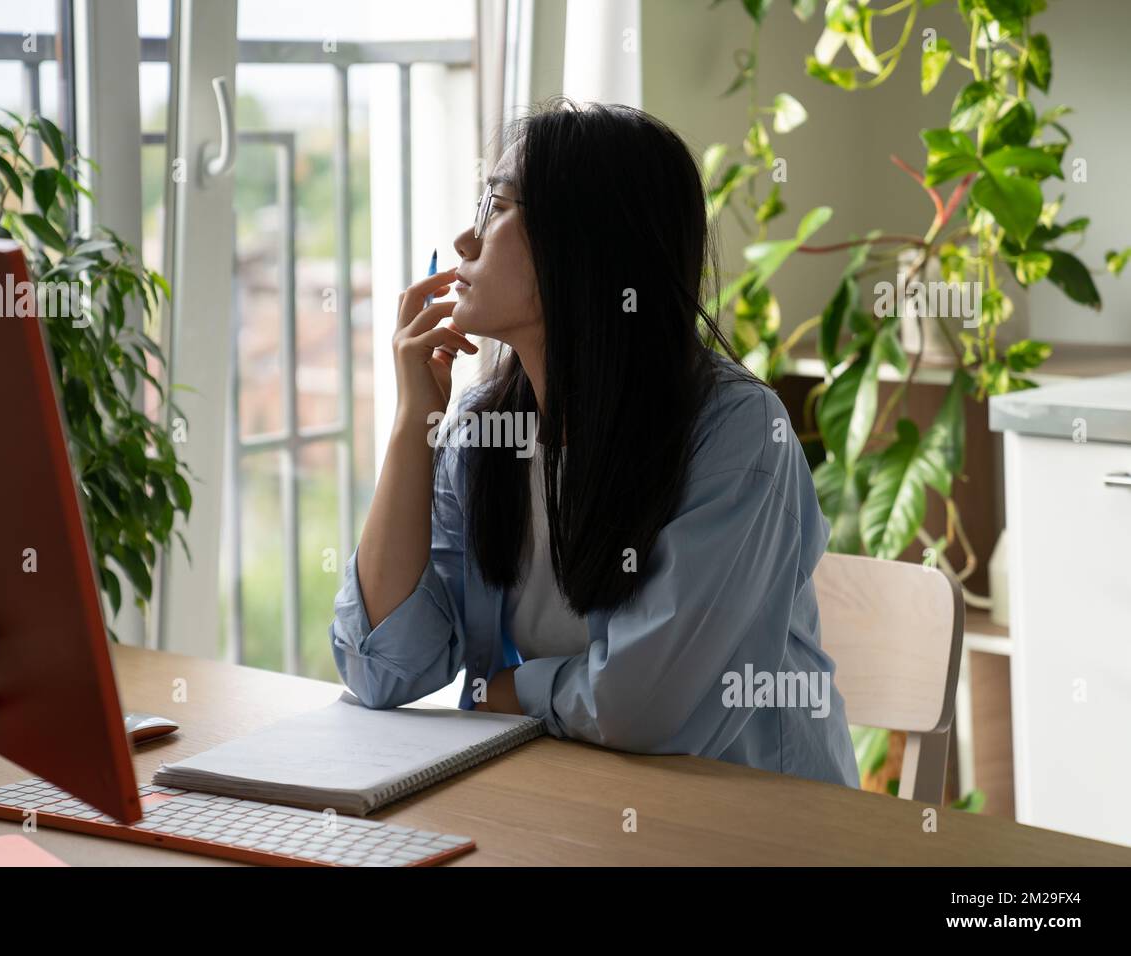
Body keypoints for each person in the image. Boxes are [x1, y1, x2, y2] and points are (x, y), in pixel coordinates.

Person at [329, 98, 860, 788]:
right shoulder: (484, 436)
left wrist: (519, 692)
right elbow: (382, 669)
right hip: (571, 805)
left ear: (585, 242)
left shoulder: (737, 434)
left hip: (750, 828)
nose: (466, 240)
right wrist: (412, 427)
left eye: (497, 206)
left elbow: (647, 705)